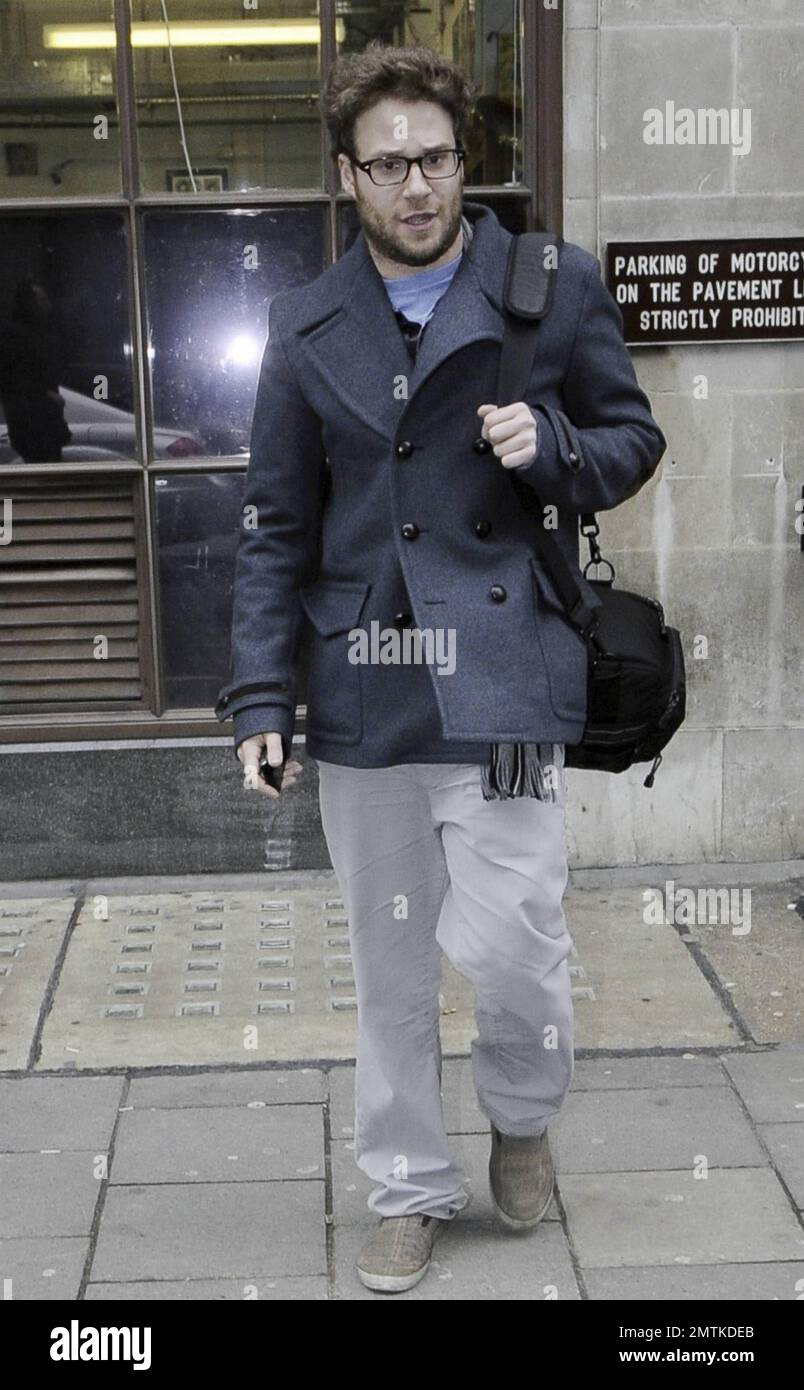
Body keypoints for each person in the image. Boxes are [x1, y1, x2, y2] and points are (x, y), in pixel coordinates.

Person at [215, 41, 666, 1294]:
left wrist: (556, 442)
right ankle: (408, 1188)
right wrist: (262, 697)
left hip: (503, 685)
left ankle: (522, 1116)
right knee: (391, 966)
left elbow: (635, 438)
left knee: (519, 944)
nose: (417, 185)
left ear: (465, 160)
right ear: (348, 178)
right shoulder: (306, 327)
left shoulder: (549, 287)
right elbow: (273, 525)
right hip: (365, 685)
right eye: (389, 164)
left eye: (437, 157)